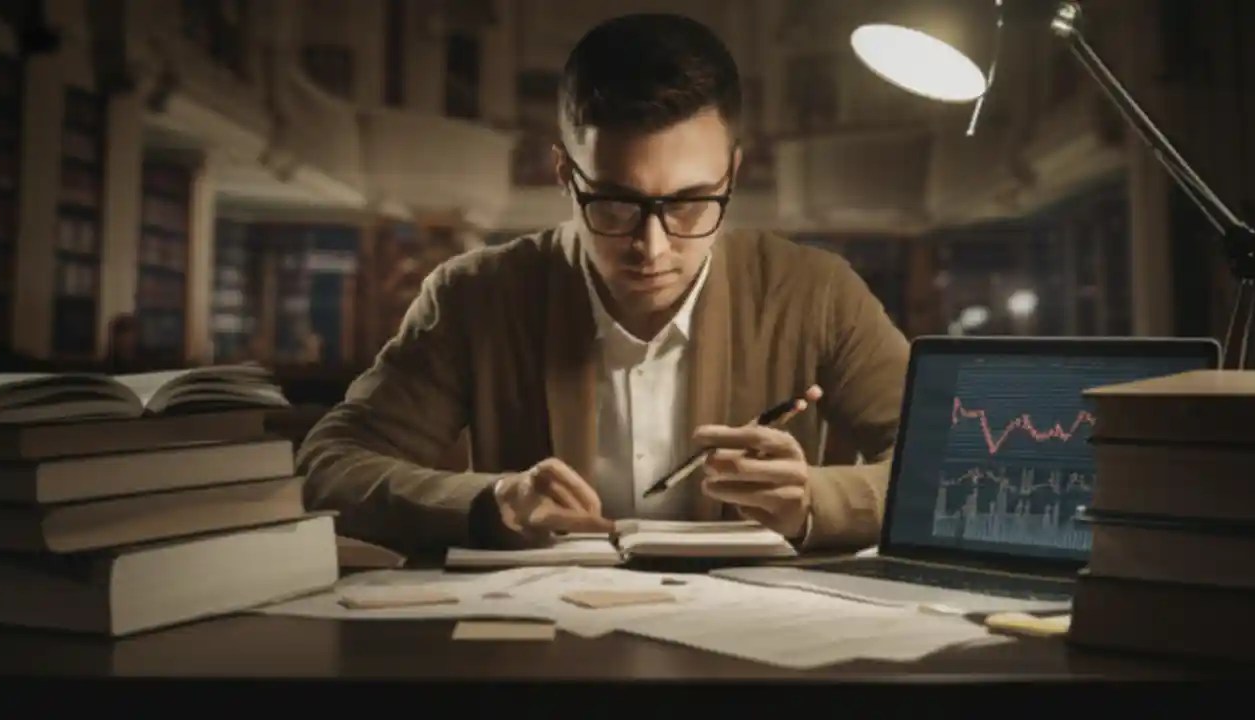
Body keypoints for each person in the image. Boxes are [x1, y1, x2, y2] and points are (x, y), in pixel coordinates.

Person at [298, 13, 910, 555]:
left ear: (734, 172)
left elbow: (960, 465)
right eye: (616, 204)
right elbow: (329, 465)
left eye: (693, 204)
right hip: (544, 655)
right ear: (564, 172)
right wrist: (493, 502)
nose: (654, 246)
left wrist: (815, 500)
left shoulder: (819, 292)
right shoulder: (473, 295)